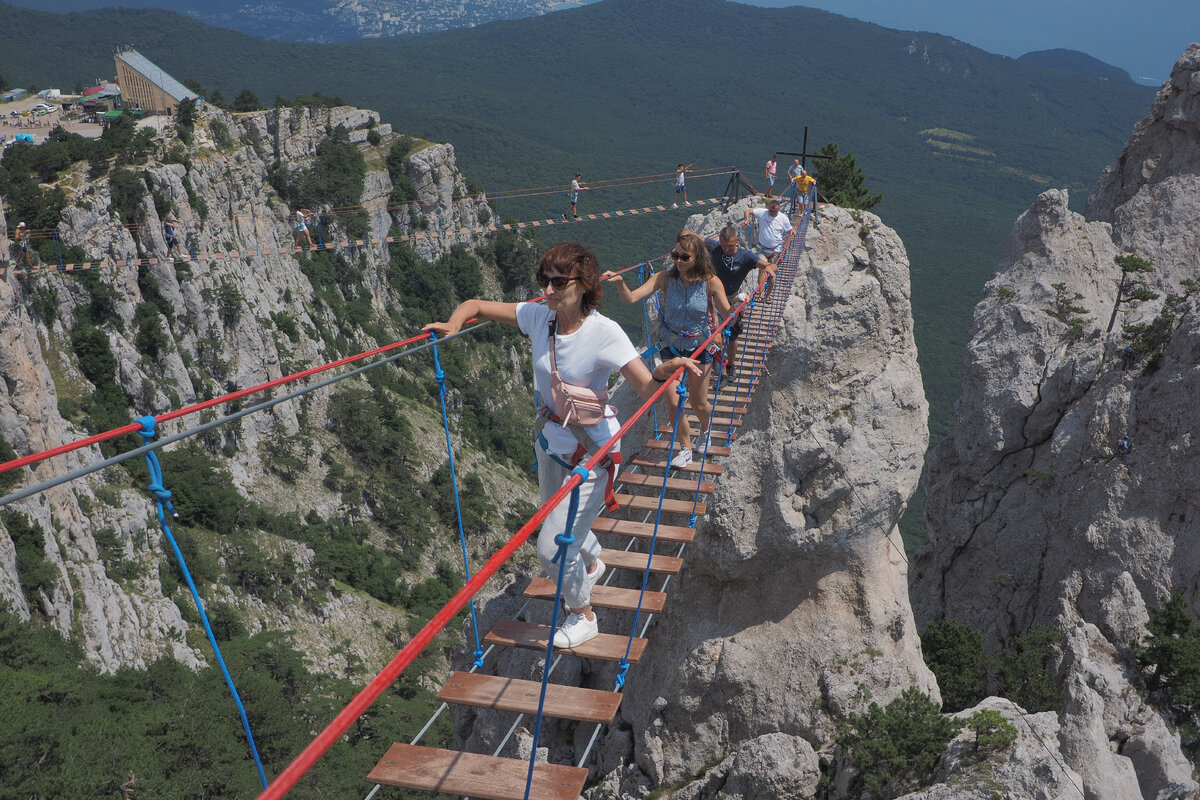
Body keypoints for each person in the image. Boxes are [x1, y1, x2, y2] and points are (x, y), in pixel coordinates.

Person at [423, 242, 700, 649]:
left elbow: (645, 388)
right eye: (544, 281)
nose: (547, 291)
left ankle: (583, 615)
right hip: (550, 443)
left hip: (594, 454)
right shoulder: (539, 317)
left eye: (557, 282)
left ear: (584, 284)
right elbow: (477, 304)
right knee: (556, 523)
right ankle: (592, 559)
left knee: (552, 547)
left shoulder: (604, 332)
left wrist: (664, 373)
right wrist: (453, 324)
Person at [604, 231, 731, 468]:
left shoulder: (711, 282)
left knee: (699, 402)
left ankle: (705, 430)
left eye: (685, 257)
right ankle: (685, 448)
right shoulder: (664, 278)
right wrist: (621, 283)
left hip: (699, 347)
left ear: (697, 258)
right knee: (674, 402)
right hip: (670, 347)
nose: (679, 261)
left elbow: (726, 311)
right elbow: (631, 299)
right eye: (676, 255)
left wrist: (735, 313)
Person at [681, 227, 775, 377]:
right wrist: (685, 234)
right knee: (714, 336)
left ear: (737, 241)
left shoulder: (746, 256)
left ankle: (730, 365)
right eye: (723, 245)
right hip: (711, 298)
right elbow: (701, 239)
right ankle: (721, 368)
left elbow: (762, 263)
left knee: (731, 336)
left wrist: (769, 267)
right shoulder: (715, 247)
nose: (725, 249)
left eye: (730, 246)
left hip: (732, 299)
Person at [744, 198, 793, 264]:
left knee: (771, 271)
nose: (772, 213)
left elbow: (789, 230)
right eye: (770, 211)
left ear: (778, 210)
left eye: (775, 211)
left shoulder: (783, 218)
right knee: (762, 269)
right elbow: (748, 211)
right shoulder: (763, 213)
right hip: (762, 249)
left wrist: (792, 232)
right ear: (768, 208)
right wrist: (747, 218)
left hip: (775, 250)